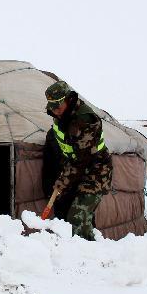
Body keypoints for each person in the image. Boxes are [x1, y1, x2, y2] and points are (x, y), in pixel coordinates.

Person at [42, 77, 113, 240]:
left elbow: (82, 158)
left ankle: (88, 253)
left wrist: (64, 180)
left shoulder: (86, 120)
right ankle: (79, 249)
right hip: (74, 169)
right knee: (70, 213)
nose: (54, 111)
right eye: (52, 108)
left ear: (68, 100)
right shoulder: (61, 114)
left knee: (78, 216)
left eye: (57, 107)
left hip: (96, 170)